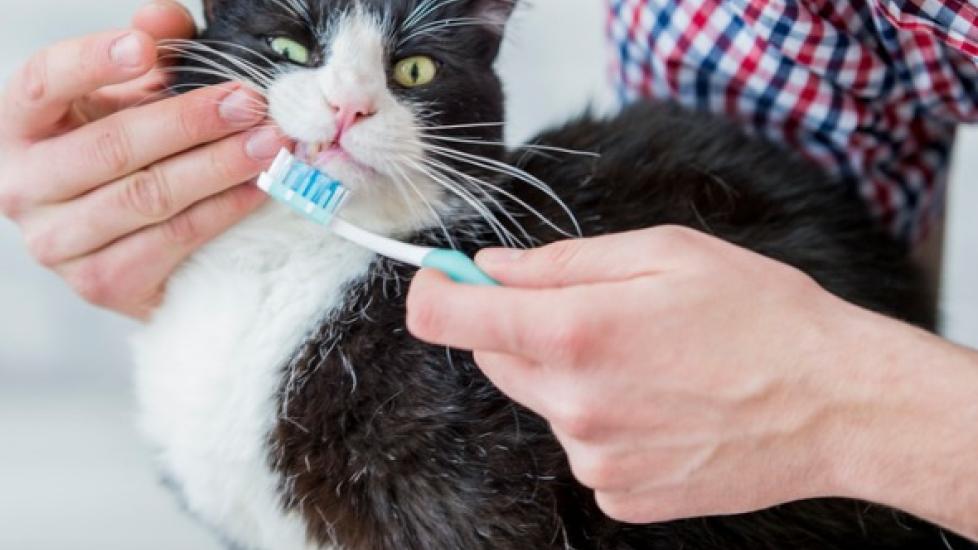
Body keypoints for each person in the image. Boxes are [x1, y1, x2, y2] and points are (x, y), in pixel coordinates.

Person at [0, 0, 974, 543]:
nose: (347, 102)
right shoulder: (753, 18)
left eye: (411, 73)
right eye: (297, 48)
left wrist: (854, 408)